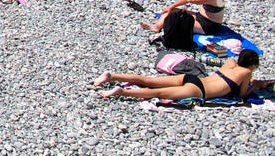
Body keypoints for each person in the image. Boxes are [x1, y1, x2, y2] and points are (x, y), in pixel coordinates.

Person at [92, 50, 262, 101]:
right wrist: (253, 86)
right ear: (252, 65)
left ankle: (112, 76)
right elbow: (241, 94)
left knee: (149, 81)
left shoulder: (230, 62)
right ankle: (121, 92)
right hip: (198, 90)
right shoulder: (246, 72)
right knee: (158, 93)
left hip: (191, 79)